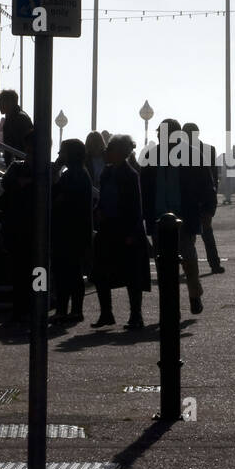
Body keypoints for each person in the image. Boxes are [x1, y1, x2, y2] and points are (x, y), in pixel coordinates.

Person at [140, 119, 210, 315]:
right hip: (158, 218)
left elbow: (206, 186)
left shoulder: (192, 155)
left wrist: (207, 211)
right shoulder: (151, 156)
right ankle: (173, 305)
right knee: (166, 263)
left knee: (187, 259)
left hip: (184, 217)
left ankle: (194, 295)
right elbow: (143, 189)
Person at [92, 135, 150, 329]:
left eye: (110, 149)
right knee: (101, 272)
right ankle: (106, 313)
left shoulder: (130, 175)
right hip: (107, 227)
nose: (106, 152)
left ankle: (136, 315)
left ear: (119, 152)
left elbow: (136, 206)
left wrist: (133, 233)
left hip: (125, 230)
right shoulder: (107, 173)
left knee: (132, 275)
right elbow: (103, 198)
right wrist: (98, 211)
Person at [0, 128, 36, 324]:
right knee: (24, 270)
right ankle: (27, 306)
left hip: (24, 227)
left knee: (27, 270)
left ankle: (28, 306)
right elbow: (8, 183)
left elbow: (9, 183)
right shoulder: (20, 168)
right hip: (25, 228)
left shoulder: (18, 168)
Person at [52, 138, 94, 323]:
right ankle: (74, 309)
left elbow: (58, 197)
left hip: (68, 230)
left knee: (65, 272)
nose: (59, 155)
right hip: (77, 229)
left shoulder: (72, 175)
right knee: (73, 271)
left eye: (62, 151)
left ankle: (64, 309)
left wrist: (55, 168)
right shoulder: (80, 173)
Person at [183, 122, 224, 274]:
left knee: (192, 234)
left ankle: (191, 264)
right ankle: (214, 264)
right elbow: (214, 176)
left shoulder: (182, 151)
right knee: (205, 233)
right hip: (203, 196)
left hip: (194, 197)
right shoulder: (209, 149)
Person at [0, 89, 33, 159]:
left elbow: (18, 145)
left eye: (1, 101)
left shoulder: (19, 119)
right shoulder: (15, 117)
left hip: (20, 162)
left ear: (10, 102)